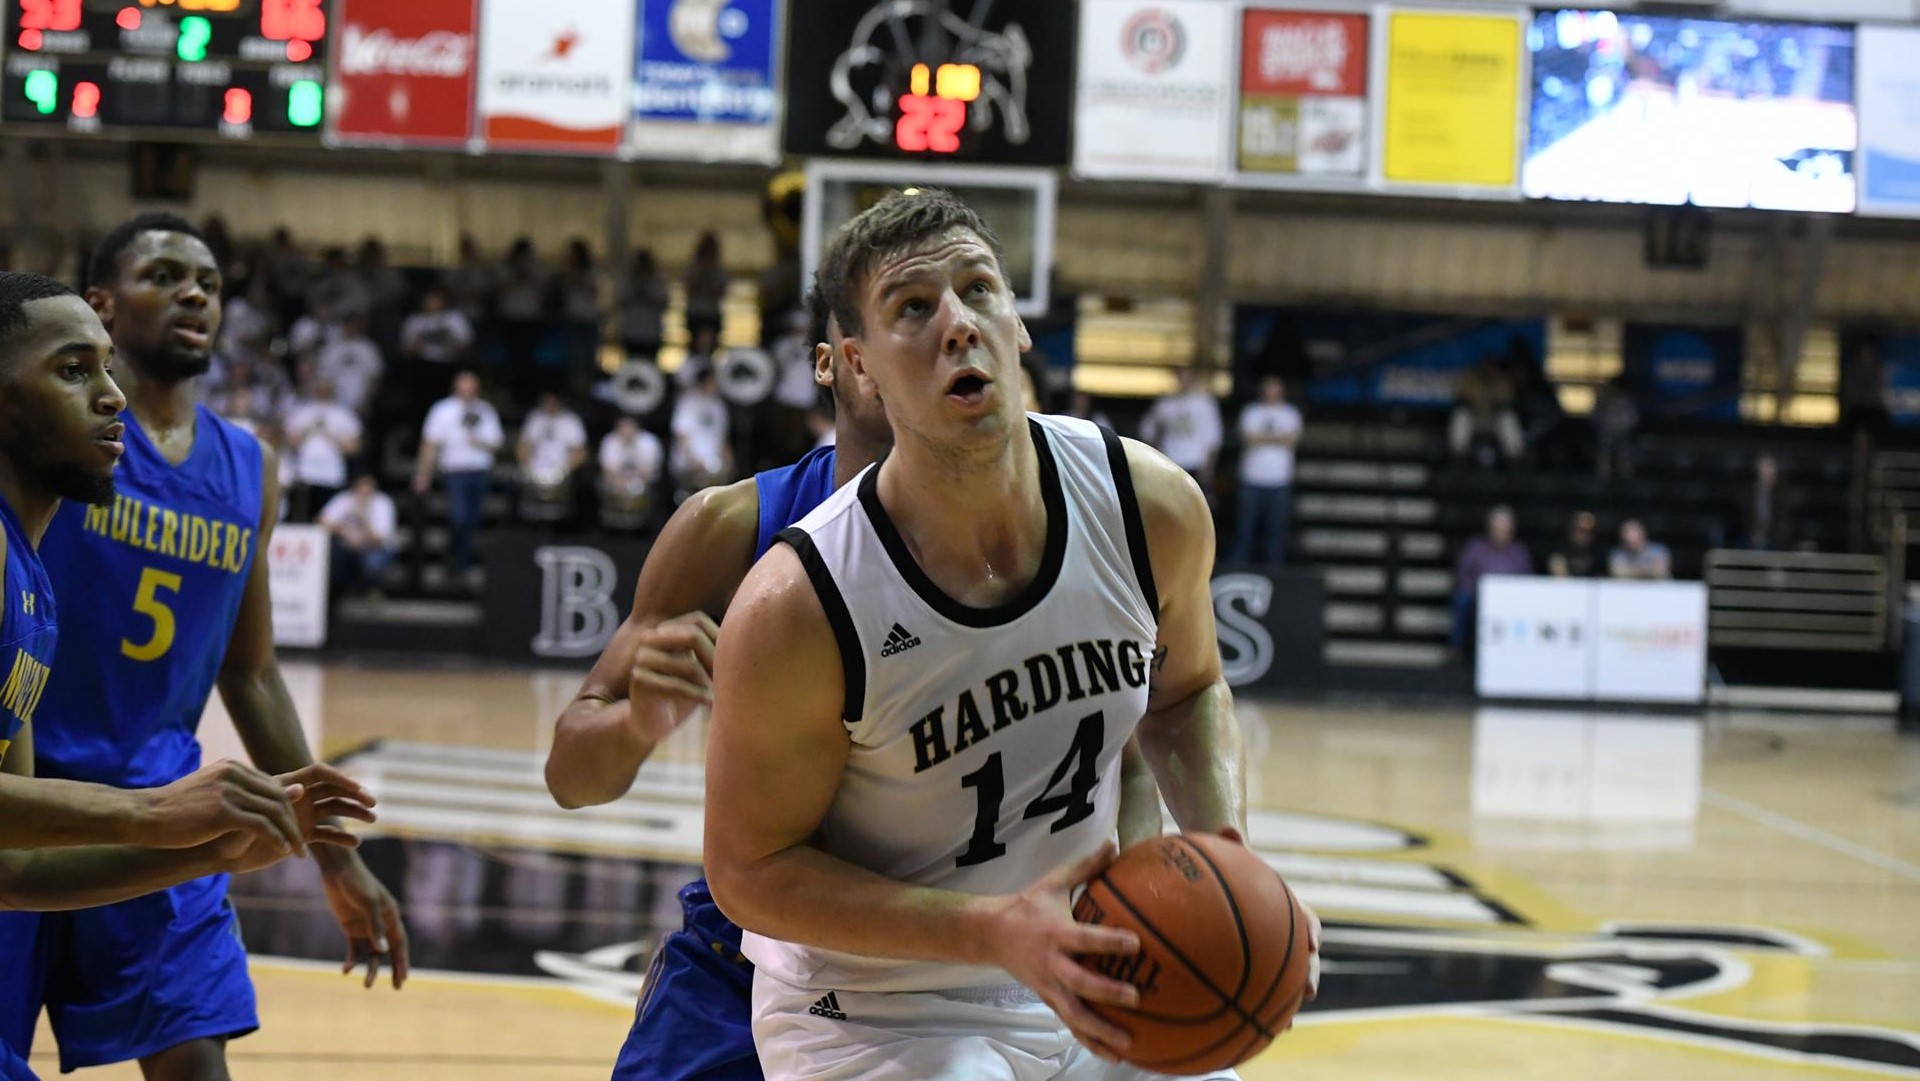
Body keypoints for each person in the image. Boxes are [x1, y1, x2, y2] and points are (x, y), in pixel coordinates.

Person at [701, 190, 1316, 1078]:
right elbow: (748, 871)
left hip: (1090, 955)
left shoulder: (1150, 509)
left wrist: (1228, 861)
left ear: (1019, 326)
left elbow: (1184, 694)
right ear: (859, 369)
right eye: (913, 308)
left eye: (979, 289)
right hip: (874, 1006)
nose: (957, 322)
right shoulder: (799, 604)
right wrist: (992, 930)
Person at [547, 274, 1172, 1081]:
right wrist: (637, 724)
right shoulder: (736, 530)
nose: (943, 336)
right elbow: (570, 772)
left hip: (970, 976)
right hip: (755, 954)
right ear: (840, 362)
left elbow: (1132, 745)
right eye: (905, 314)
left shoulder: (1057, 516)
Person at [0, 217, 406, 1081]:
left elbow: (250, 669)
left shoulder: (245, 465)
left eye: (211, 282)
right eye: (166, 274)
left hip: (164, 800)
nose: (195, 293)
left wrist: (333, 855)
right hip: (34, 798)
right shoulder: (54, 450)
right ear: (102, 304)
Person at [415, 370, 503, 579]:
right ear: (456, 387)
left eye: (471, 386)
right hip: (455, 470)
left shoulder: (485, 410)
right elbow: (430, 443)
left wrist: (478, 441)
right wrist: (423, 474)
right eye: (464, 385)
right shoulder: (442, 410)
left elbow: (496, 443)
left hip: (480, 470)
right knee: (459, 516)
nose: (467, 390)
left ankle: (461, 561)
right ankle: (455, 559)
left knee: (474, 519)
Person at [1229, 375, 1302, 567]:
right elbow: (1248, 439)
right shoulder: (1251, 411)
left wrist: (1262, 438)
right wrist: (1277, 438)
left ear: (1281, 390)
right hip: (1252, 477)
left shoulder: (1291, 413)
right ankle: (1239, 566)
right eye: (1268, 387)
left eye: (1275, 388)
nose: (1271, 392)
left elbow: (1291, 440)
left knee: (1276, 530)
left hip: (1280, 480)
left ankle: (1275, 570)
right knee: (1245, 527)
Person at [282, 375, 362, 522]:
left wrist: (330, 434)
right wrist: (309, 430)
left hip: (332, 475)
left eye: (326, 385)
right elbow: (290, 443)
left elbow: (354, 448)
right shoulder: (301, 412)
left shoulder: (344, 414)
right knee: (302, 516)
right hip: (304, 474)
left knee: (329, 517)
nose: (322, 389)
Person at [1452, 505, 1532, 652]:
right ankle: (1458, 648)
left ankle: (1520, 649)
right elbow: (1463, 574)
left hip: (1512, 598)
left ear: (1511, 530)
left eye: (1504, 529)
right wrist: (1480, 591)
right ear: (1490, 528)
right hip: (1478, 595)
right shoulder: (1475, 548)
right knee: (1462, 599)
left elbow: (1526, 580)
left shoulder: (1519, 552)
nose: (1500, 533)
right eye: (1497, 528)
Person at [1138, 367, 1223, 501]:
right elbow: (1147, 429)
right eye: (1181, 377)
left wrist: (1208, 467)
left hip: (1196, 463)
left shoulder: (1204, 403)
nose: (1184, 382)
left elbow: (1213, 437)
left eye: (1188, 378)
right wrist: (1155, 453)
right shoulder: (1165, 404)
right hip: (1170, 462)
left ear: (1194, 379)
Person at [318, 475, 397, 599]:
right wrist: (344, 532)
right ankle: (340, 593)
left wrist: (362, 519)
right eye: (361, 487)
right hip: (347, 545)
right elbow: (321, 521)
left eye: (367, 487)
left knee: (373, 562)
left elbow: (380, 539)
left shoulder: (382, 503)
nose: (363, 492)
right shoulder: (345, 499)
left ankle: (372, 590)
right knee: (332, 554)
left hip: (374, 547)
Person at [399, 286, 474, 411]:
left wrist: (452, 343)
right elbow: (406, 349)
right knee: (422, 399)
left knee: (448, 399)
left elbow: (466, 343)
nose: (432, 303)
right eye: (429, 299)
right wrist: (416, 346)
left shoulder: (454, 318)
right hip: (423, 365)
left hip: (448, 364)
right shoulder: (415, 321)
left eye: (436, 299)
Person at [671, 361, 731, 493]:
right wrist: (693, 462)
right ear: (703, 382)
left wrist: (727, 461)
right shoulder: (687, 403)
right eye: (712, 382)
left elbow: (721, 436)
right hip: (690, 465)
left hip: (713, 465)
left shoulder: (718, 405)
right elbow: (681, 435)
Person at [596, 415, 663, 529]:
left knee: (637, 488)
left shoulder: (649, 442)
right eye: (622, 428)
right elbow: (607, 470)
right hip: (617, 482)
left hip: (642, 481)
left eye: (629, 427)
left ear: (636, 428)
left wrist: (630, 483)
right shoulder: (610, 441)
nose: (626, 431)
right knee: (604, 485)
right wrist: (619, 482)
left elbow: (648, 471)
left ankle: (643, 524)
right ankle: (611, 525)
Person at [314, 309, 383, 417]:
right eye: (346, 325)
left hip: (361, 403)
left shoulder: (368, 348)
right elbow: (324, 377)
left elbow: (374, 377)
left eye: (352, 325)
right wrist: (329, 402)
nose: (349, 329)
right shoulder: (331, 349)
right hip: (335, 404)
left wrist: (367, 401)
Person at [618, 249, 669, 365]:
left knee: (650, 367)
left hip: (651, 333)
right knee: (632, 366)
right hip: (632, 332)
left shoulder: (657, 280)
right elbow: (620, 299)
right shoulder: (628, 279)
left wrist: (648, 294)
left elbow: (664, 301)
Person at [682, 231, 728, 341]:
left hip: (711, 313)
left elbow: (720, 291)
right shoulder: (693, 267)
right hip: (696, 312)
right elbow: (688, 287)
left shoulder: (719, 269)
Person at [1547, 510, 1600, 578]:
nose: (1585, 535)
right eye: (1581, 530)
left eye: (1589, 531)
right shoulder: (1559, 555)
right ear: (1570, 529)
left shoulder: (1600, 555)